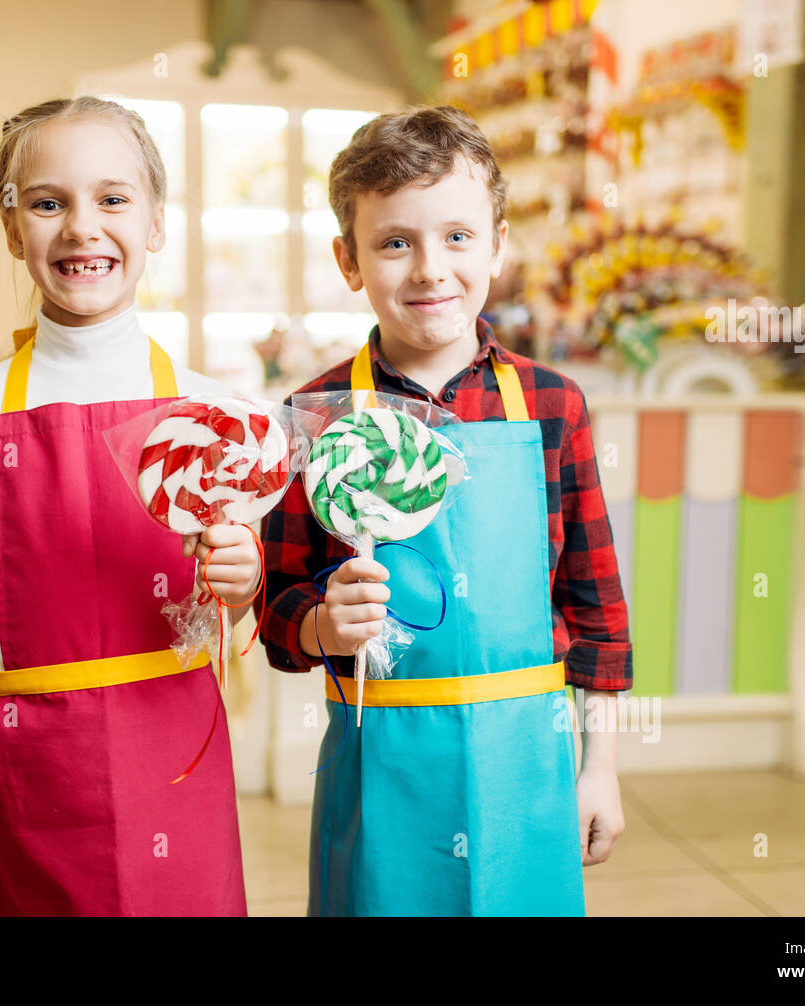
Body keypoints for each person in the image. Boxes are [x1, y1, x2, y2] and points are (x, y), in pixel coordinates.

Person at [259, 106, 631, 916]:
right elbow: (277, 604)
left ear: (498, 243)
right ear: (348, 261)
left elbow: (596, 605)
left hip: (526, 767)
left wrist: (599, 767)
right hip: (380, 766)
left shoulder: (551, 405)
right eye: (395, 242)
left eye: (457, 237)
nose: (430, 269)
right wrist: (323, 624)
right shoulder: (316, 412)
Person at [0, 97, 254, 917]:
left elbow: (229, 630)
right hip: (27, 786)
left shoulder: (215, 415)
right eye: (46, 202)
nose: (81, 228)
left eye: (112, 198)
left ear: (157, 221)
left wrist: (241, 587)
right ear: (9, 228)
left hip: (178, 770)